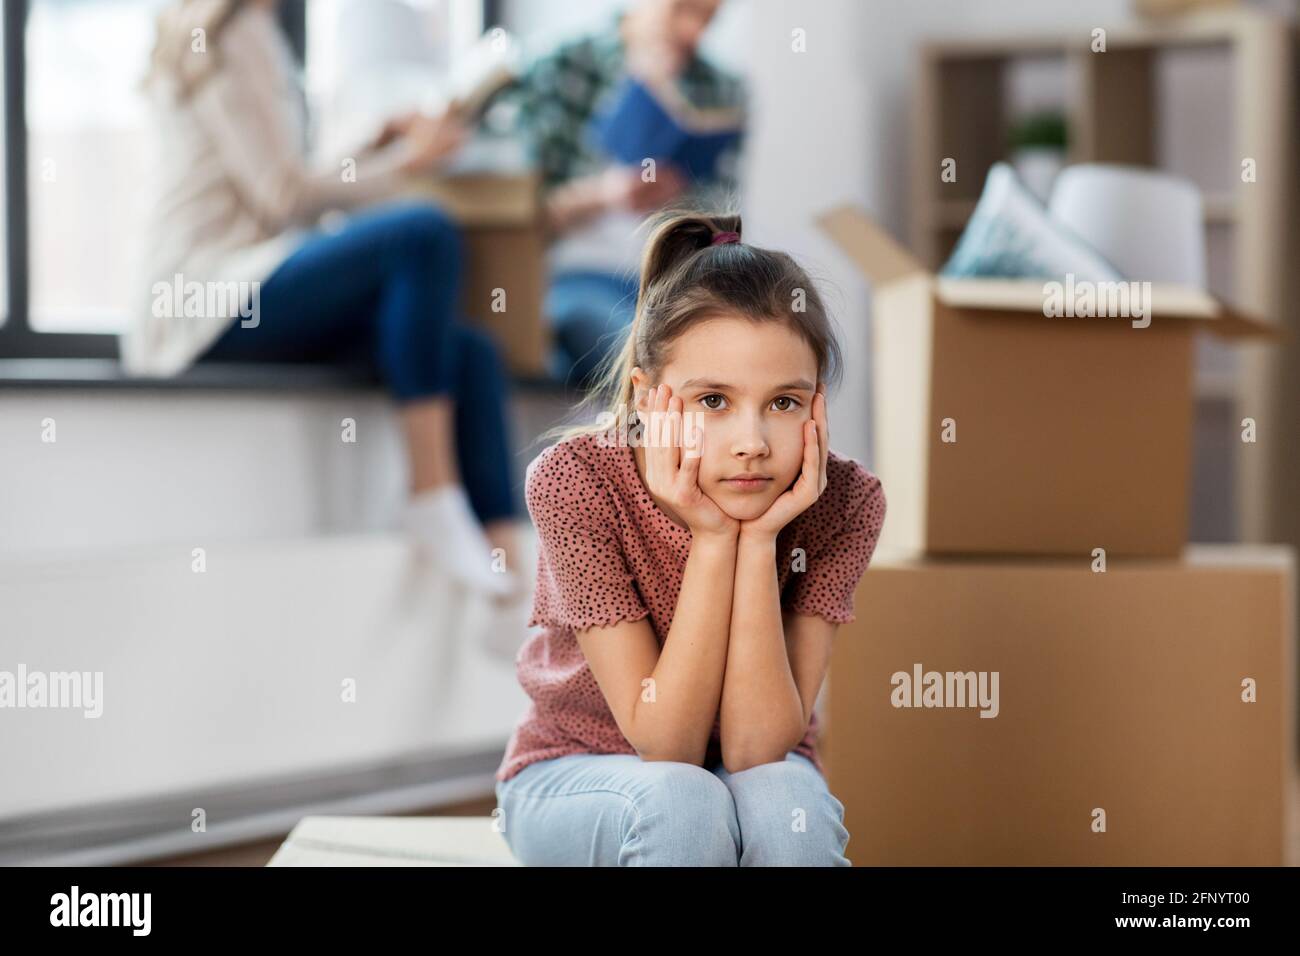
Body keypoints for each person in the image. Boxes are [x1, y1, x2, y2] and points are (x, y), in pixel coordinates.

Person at [492, 210, 887, 865]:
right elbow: (666, 743)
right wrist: (711, 540)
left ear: (817, 403)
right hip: (575, 771)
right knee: (684, 802)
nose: (753, 443)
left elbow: (756, 749)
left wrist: (756, 543)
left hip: (744, 769)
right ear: (649, 400)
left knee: (788, 801)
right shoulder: (577, 482)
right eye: (713, 402)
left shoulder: (844, 502)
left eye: (785, 403)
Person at [123, 0, 525, 602]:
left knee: (468, 350)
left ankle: (515, 580)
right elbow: (282, 196)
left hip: (250, 279)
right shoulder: (229, 31)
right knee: (423, 232)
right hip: (206, 297)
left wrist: (375, 141)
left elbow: (286, 174)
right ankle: (431, 495)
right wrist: (406, 164)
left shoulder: (256, 33)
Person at [482, 0, 745, 389]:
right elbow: (519, 213)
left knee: (753, 354)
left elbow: (721, 233)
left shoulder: (719, 89)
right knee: (649, 352)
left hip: (672, 281)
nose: (693, 31)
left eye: (708, 18)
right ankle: (655, 448)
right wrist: (606, 194)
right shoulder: (564, 65)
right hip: (576, 277)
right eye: (683, 10)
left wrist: (676, 198)